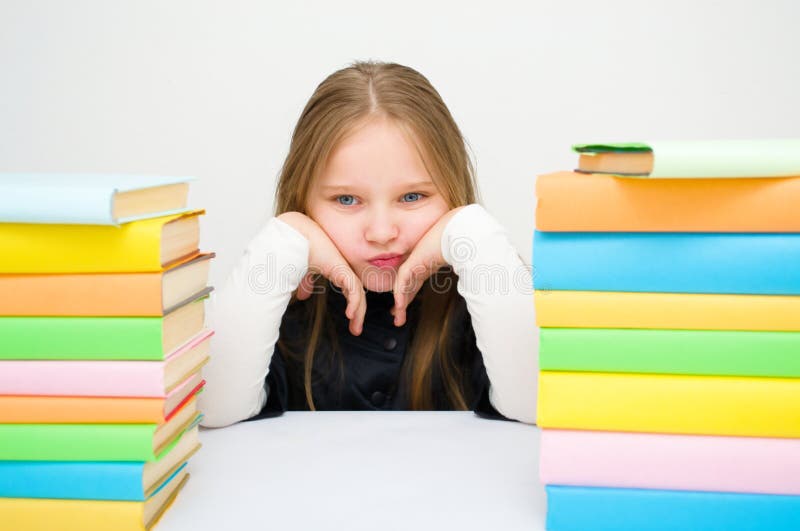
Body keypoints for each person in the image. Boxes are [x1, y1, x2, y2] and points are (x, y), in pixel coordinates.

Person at [199, 61, 538, 428]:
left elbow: (536, 404)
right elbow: (214, 409)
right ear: (304, 199)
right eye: (346, 200)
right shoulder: (277, 308)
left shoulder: (484, 301)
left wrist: (469, 230)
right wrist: (287, 235)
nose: (380, 232)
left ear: (452, 193)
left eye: (412, 197)